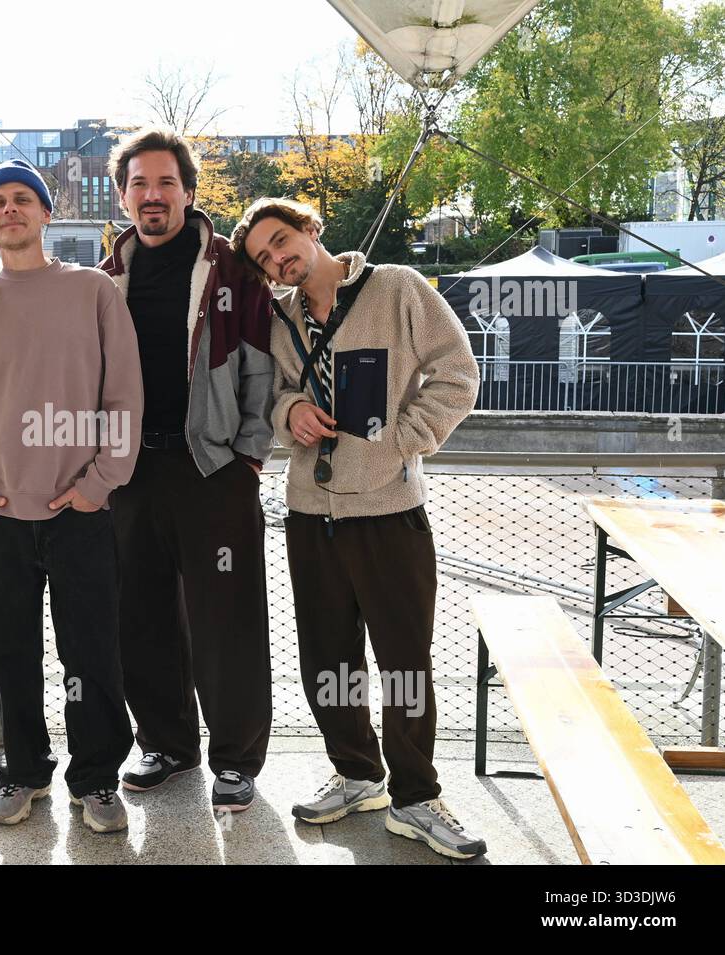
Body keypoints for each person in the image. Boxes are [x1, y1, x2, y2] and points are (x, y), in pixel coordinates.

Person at [231, 196, 487, 860]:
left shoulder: (395, 287)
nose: (278, 260)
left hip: (389, 511)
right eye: (264, 257)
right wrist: (291, 412)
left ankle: (416, 794)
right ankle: (356, 773)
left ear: (312, 229)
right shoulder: (280, 318)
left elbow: (458, 376)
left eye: (283, 242)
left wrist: (402, 442)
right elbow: (272, 391)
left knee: (404, 660)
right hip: (310, 514)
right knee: (326, 655)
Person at [0, 160, 143, 833]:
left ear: (46, 213)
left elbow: (123, 395)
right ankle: (23, 770)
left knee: (92, 650)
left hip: (77, 510)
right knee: (8, 652)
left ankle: (97, 777)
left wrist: (98, 484)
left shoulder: (92, 290)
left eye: (23, 198)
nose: (9, 209)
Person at [101, 128, 275, 812]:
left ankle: (236, 758)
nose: (153, 195)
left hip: (212, 468)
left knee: (226, 615)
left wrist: (246, 457)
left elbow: (262, 364)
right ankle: (167, 743)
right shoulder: (107, 275)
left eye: (165, 182)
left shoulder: (232, 269)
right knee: (139, 613)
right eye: (139, 184)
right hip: (131, 469)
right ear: (123, 196)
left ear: (189, 192)